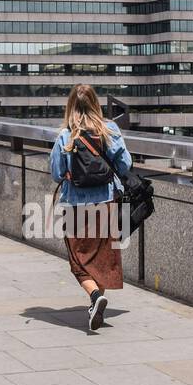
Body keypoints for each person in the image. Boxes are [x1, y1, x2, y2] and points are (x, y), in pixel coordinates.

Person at [49, 83, 134, 332]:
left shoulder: (66, 136)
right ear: (96, 104)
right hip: (106, 202)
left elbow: (56, 173)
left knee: (78, 260)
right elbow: (126, 163)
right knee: (102, 258)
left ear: (71, 107)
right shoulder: (110, 130)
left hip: (76, 205)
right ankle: (97, 300)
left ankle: (95, 297)